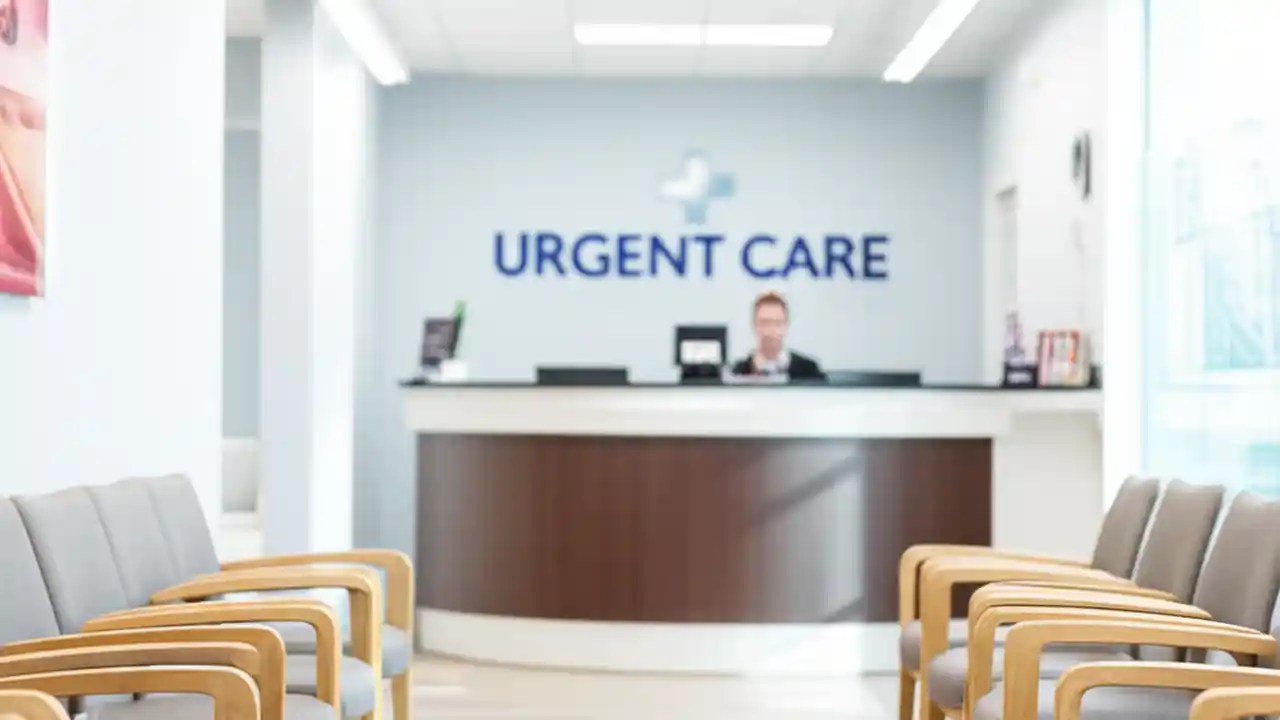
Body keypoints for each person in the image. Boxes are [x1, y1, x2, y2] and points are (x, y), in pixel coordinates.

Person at [731, 291, 826, 382]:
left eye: (777, 323)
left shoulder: (809, 371)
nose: (771, 330)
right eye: (765, 323)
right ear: (754, 325)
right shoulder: (738, 372)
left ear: (786, 325)